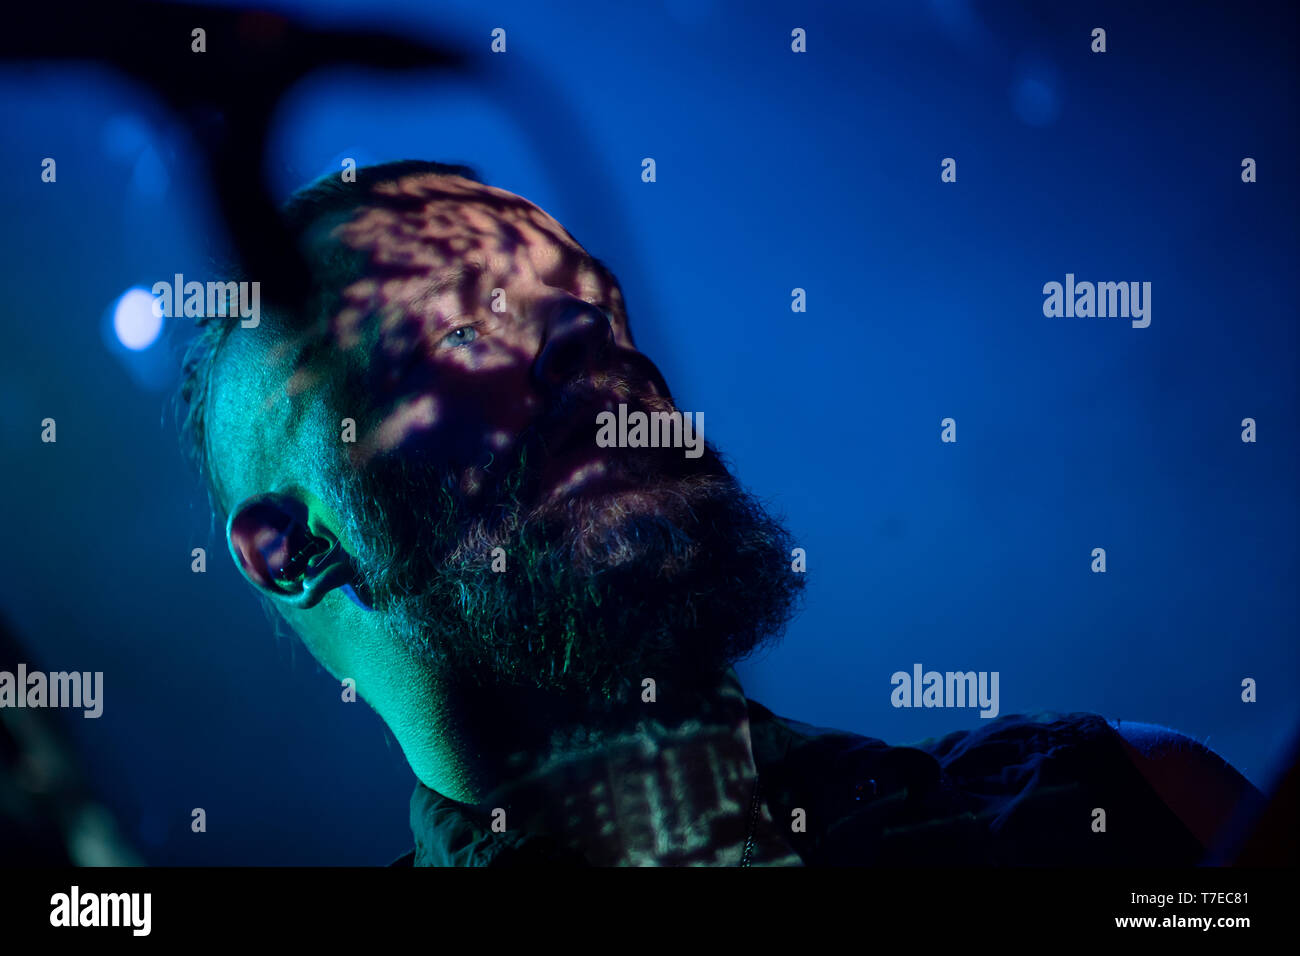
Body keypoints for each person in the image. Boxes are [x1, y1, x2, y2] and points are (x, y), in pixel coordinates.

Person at [179, 160, 1261, 866]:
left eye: (594, 304)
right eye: (460, 332)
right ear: (292, 547)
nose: (582, 334)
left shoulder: (1125, 804)